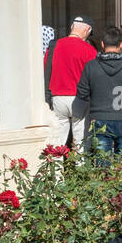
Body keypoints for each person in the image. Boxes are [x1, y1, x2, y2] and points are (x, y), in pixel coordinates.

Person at [76, 27, 122, 158]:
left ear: (102, 44)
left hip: (100, 118)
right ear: (121, 45)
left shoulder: (91, 66)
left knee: (102, 164)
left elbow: (82, 94)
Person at [46, 16, 97, 148]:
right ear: (87, 30)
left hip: (57, 97)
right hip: (79, 98)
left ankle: (56, 168)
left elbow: (46, 69)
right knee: (81, 140)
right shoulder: (89, 50)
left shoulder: (54, 46)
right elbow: (93, 77)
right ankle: (80, 167)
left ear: (71, 28)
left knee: (58, 140)